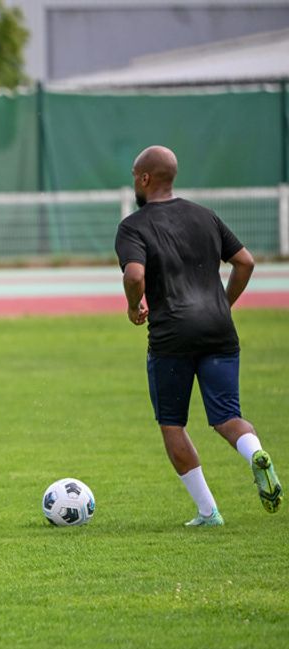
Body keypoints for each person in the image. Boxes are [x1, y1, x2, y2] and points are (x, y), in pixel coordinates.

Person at [116, 144, 281, 526]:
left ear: (144, 179)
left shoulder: (134, 226)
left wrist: (132, 305)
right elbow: (245, 261)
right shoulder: (205, 216)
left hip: (172, 335)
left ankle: (208, 512)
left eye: (133, 176)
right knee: (227, 417)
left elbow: (135, 275)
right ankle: (254, 451)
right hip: (219, 330)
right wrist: (223, 303)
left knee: (173, 423)